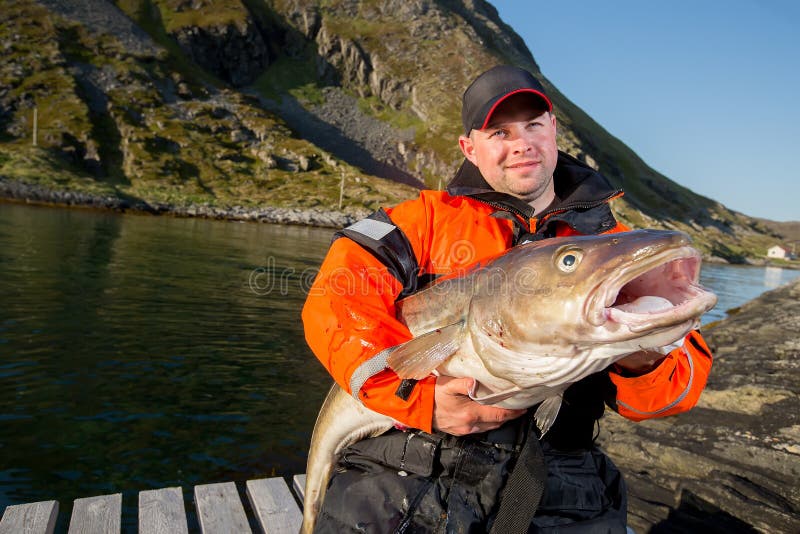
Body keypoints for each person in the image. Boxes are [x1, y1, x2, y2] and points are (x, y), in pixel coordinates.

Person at [302, 65, 712, 533]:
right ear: (469, 148)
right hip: (414, 453)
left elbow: (674, 392)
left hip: (559, 470)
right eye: (500, 132)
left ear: (553, 129)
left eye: (533, 125)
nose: (521, 144)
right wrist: (413, 396)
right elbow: (334, 300)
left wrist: (641, 353)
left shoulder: (614, 246)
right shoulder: (421, 221)